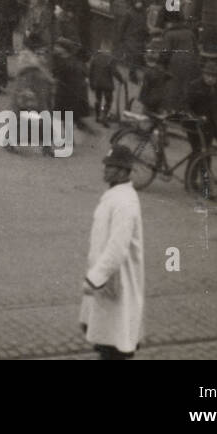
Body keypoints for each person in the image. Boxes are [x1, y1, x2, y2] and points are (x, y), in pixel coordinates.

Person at [80, 145, 145, 360]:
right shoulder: (116, 195)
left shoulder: (124, 203)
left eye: (111, 167)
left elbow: (117, 248)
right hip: (109, 284)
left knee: (114, 344)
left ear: (123, 171)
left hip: (117, 282)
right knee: (107, 341)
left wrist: (94, 279)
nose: (105, 170)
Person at [88, 39, 126, 123]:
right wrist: (121, 80)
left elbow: (90, 72)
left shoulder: (95, 58)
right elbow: (114, 71)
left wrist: (91, 84)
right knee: (108, 101)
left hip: (97, 83)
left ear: (101, 47)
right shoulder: (111, 59)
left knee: (98, 100)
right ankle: (104, 116)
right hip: (107, 84)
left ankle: (97, 117)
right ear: (109, 48)